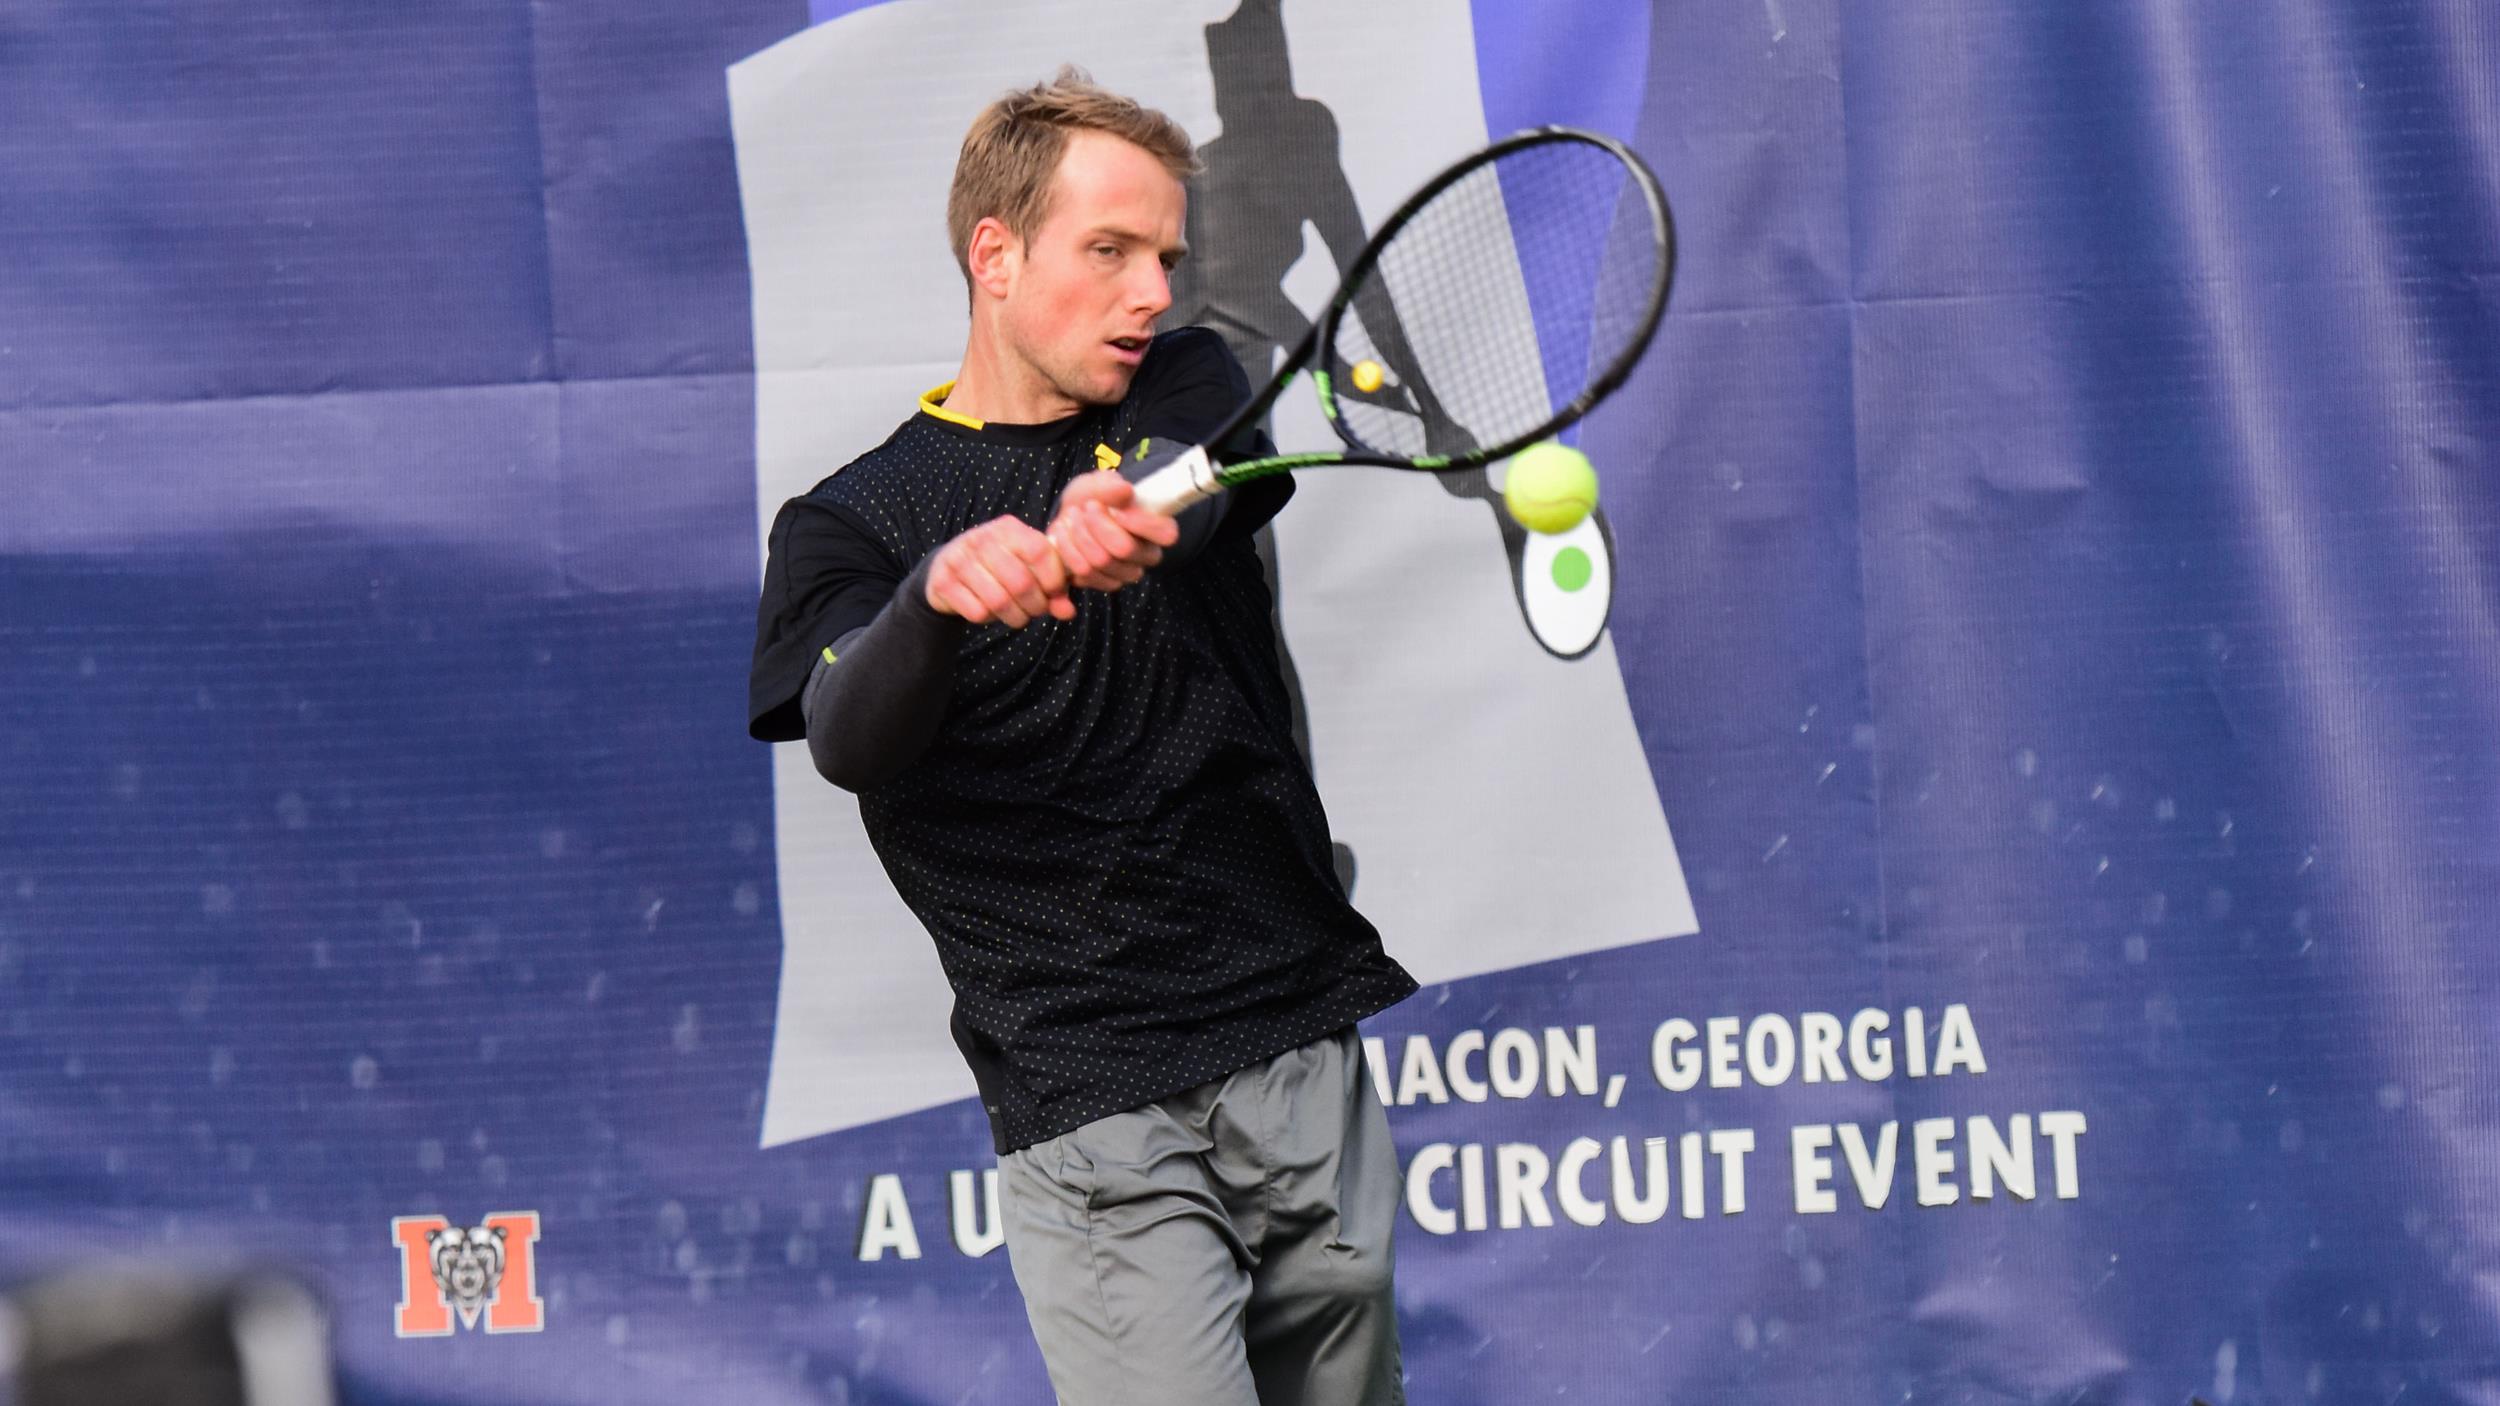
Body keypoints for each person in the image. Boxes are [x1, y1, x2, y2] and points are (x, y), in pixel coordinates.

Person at [745, 68, 1417, 1406]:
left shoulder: (1188, 381)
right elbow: (848, 734)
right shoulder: (848, 527)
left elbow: (1190, 476)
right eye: (1108, 251)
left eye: (1164, 254)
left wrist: (1133, 511)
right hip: (1087, 1087)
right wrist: (932, 601)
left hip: (1297, 1029)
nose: (1150, 290)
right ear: (995, 255)